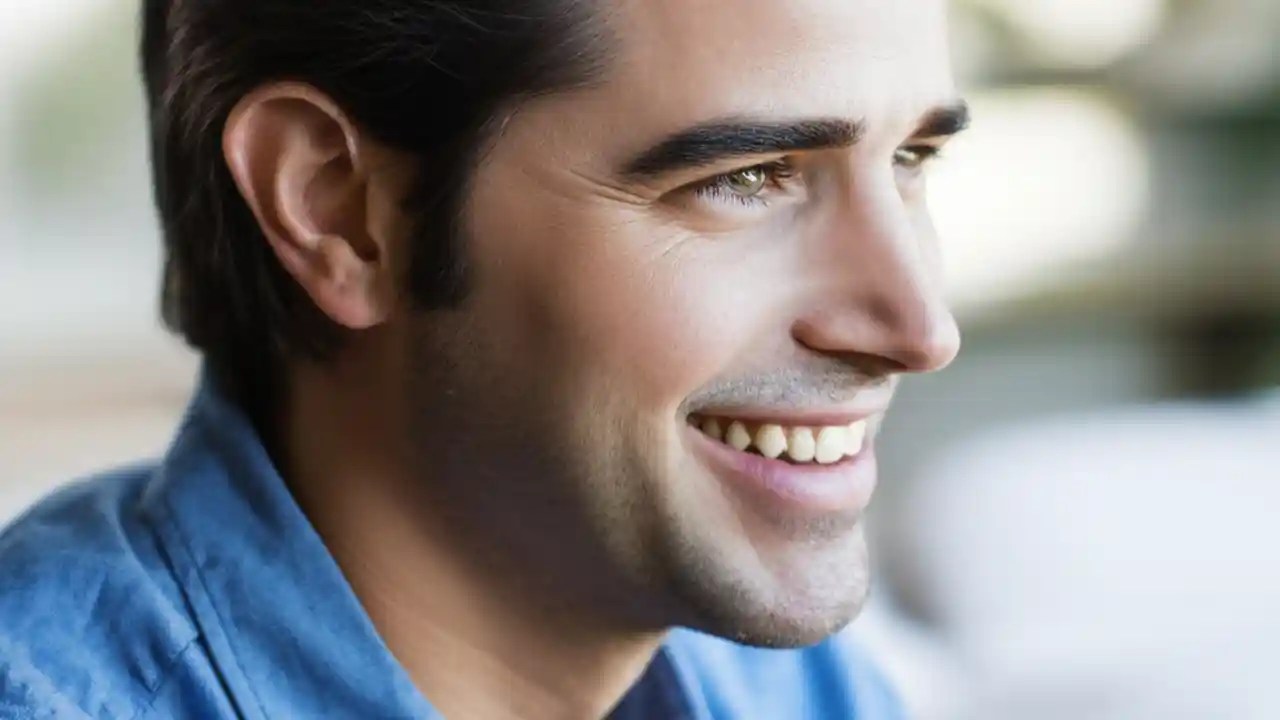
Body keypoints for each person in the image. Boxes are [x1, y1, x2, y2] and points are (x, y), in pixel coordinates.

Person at [0, 0, 967, 717]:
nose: (922, 330)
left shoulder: (790, 685)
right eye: (745, 179)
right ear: (337, 209)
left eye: (911, 161)